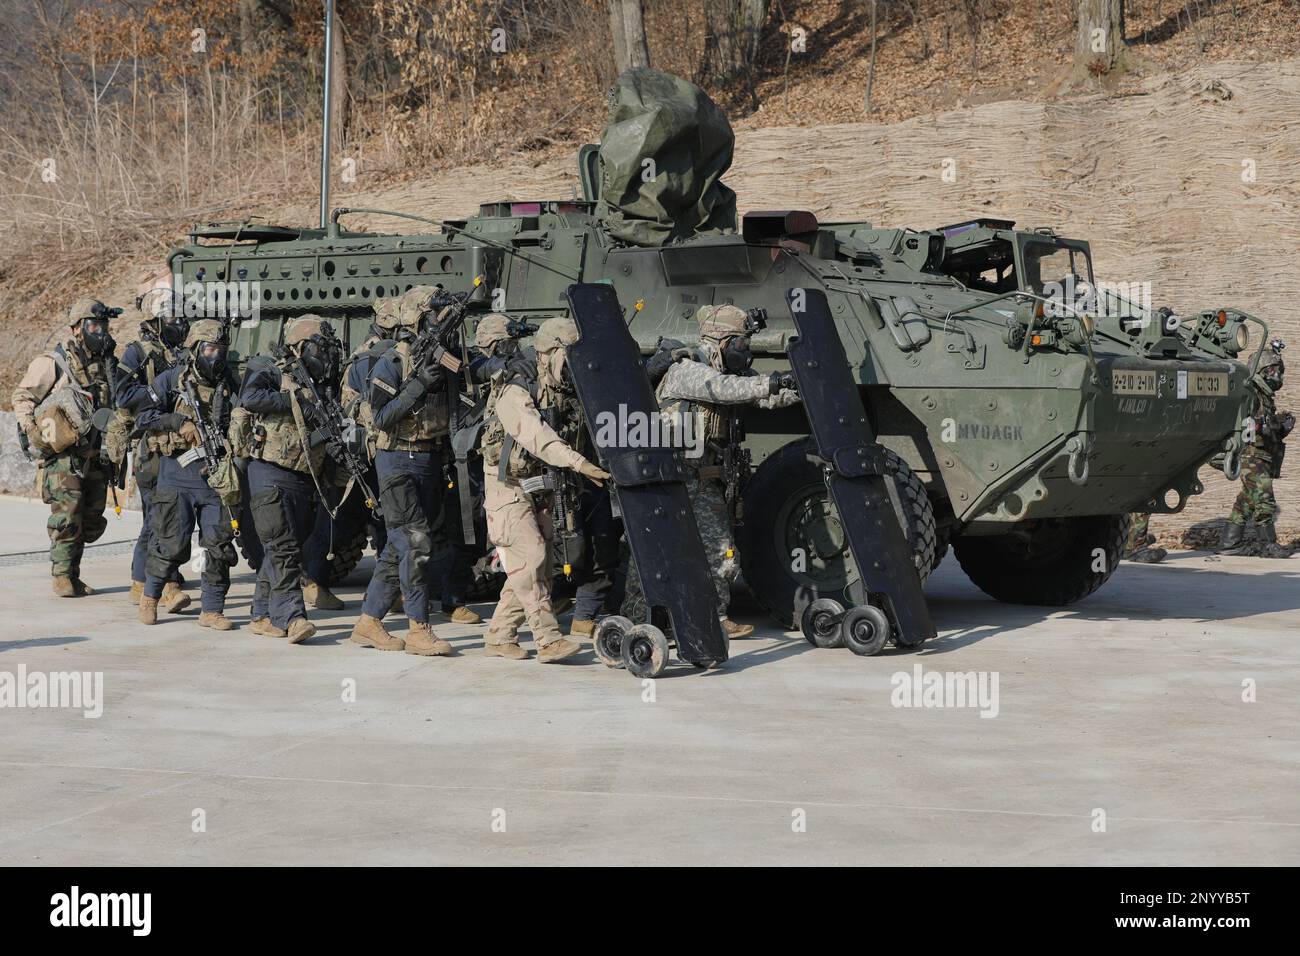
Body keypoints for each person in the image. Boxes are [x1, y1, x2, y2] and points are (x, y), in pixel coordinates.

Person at [622, 304, 800, 637]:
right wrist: (776, 379)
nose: (745, 351)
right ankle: (636, 616)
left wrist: (799, 385)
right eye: (742, 343)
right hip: (668, 477)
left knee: (721, 550)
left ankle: (715, 616)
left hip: (703, 478)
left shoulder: (726, 370)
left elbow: (765, 398)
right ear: (722, 340)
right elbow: (723, 389)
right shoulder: (688, 368)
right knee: (654, 550)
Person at [476, 315, 609, 662]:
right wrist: (579, 463)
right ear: (548, 353)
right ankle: (548, 639)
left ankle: (499, 634)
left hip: (540, 484)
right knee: (532, 556)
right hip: (507, 486)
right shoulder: (516, 387)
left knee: (536, 562)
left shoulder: (561, 386)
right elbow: (536, 437)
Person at [348, 292, 459, 656]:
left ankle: (368, 622)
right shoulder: (390, 361)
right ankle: (418, 628)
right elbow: (381, 417)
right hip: (396, 459)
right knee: (415, 542)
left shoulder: (441, 356)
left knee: (399, 546)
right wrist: (418, 386)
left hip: (427, 458)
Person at [232, 315, 342, 643]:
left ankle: (262, 614)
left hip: (302, 477)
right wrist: (297, 403)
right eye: (319, 348)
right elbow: (250, 398)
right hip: (267, 472)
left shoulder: (320, 383)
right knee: (283, 549)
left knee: (282, 549)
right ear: (302, 346)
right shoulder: (268, 367)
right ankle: (293, 617)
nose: (324, 356)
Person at [130, 320, 240, 629]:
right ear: (194, 349)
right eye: (208, 349)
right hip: (176, 473)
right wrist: (179, 423)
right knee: (171, 542)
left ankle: (212, 609)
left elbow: (246, 411)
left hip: (216, 475)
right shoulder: (170, 381)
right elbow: (143, 416)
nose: (214, 356)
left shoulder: (230, 381)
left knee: (219, 544)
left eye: (219, 350)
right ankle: (150, 597)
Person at [12, 298, 119, 596]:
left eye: (103, 325)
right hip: (64, 456)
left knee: (90, 518)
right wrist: (33, 432)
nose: (100, 331)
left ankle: (74, 574)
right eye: (93, 325)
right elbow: (22, 398)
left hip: (96, 453)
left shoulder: (107, 364)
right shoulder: (53, 362)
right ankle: (61, 575)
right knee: (67, 516)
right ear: (76, 328)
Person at [114, 287, 191, 608]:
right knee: (161, 516)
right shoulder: (138, 353)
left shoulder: (181, 351)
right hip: (150, 445)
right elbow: (123, 396)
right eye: (174, 317)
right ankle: (163, 582)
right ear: (157, 321)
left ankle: (142, 578)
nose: (180, 323)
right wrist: (159, 393)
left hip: (177, 444)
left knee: (167, 515)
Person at [1222, 340, 1293, 558]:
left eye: (1278, 370)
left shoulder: (1264, 397)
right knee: (1264, 499)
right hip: (1250, 454)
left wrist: (1279, 426)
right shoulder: (1249, 394)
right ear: (1262, 370)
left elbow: (1264, 427)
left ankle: (1229, 544)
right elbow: (1245, 425)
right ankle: (1267, 544)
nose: (1278, 375)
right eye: (1274, 370)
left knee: (1247, 500)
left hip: (1260, 455)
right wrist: (1266, 424)